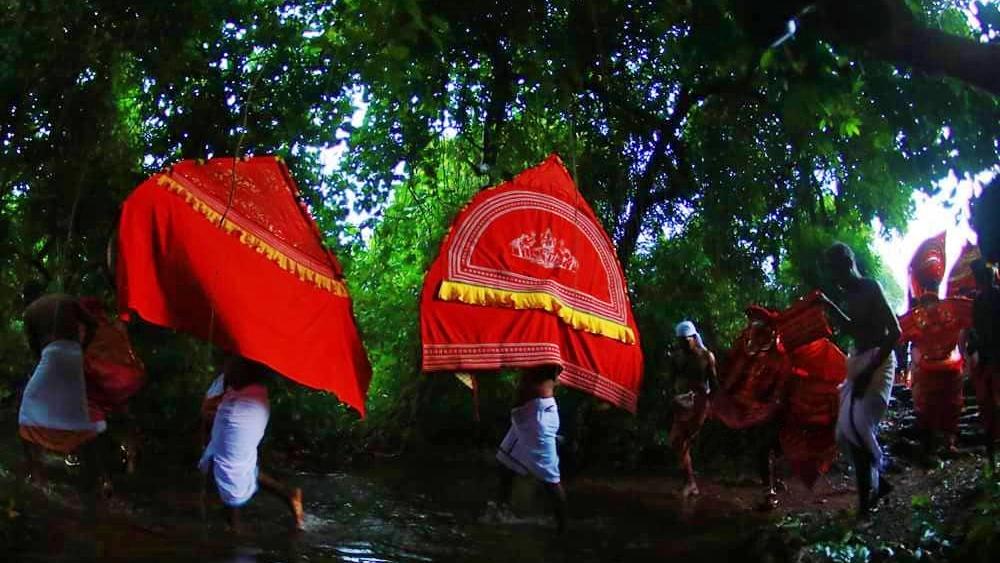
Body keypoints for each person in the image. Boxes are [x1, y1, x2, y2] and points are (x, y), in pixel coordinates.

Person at [824, 243, 902, 520]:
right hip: (857, 362)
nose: (834, 278)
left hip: (879, 363)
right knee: (844, 432)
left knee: (858, 427)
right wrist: (829, 307)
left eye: (835, 270)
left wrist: (869, 370)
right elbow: (853, 329)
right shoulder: (846, 296)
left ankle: (865, 508)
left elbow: (895, 332)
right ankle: (879, 483)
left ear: (847, 263)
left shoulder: (872, 287)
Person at [17, 284, 107, 513]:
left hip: (52, 354)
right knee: (76, 412)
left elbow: (34, 349)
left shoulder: (31, 312)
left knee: (27, 408)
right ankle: (98, 479)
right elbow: (93, 324)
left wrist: (47, 360)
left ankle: (37, 476)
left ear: (28, 298)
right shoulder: (66, 299)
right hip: (74, 355)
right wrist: (81, 348)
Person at [198, 355, 304, 531]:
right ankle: (287, 494)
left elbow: (234, 377)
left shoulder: (247, 354)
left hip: (243, 407)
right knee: (225, 461)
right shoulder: (244, 353)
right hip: (243, 402)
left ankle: (234, 527)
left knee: (229, 466)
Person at [496, 365, 568, 534]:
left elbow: (555, 376)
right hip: (524, 415)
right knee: (506, 462)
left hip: (537, 418)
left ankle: (563, 528)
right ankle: (500, 512)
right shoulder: (537, 345)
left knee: (550, 478)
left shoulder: (550, 352)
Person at [668, 320, 718, 498]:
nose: (682, 343)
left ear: (694, 338)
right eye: (680, 340)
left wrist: (713, 406)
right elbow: (672, 380)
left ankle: (690, 484)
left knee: (682, 441)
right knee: (676, 441)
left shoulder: (706, 357)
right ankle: (690, 483)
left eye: (685, 340)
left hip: (699, 402)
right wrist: (674, 397)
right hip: (682, 402)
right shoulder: (677, 357)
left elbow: (713, 385)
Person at [968, 259, 999, 466]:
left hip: (991, 357)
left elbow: (977, 330)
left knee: (989, 405)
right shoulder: (979, 300)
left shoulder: (984, 299)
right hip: (989, 357)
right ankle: (991, 460)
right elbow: (976, 330)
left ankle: (991, 460)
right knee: (988, 406)